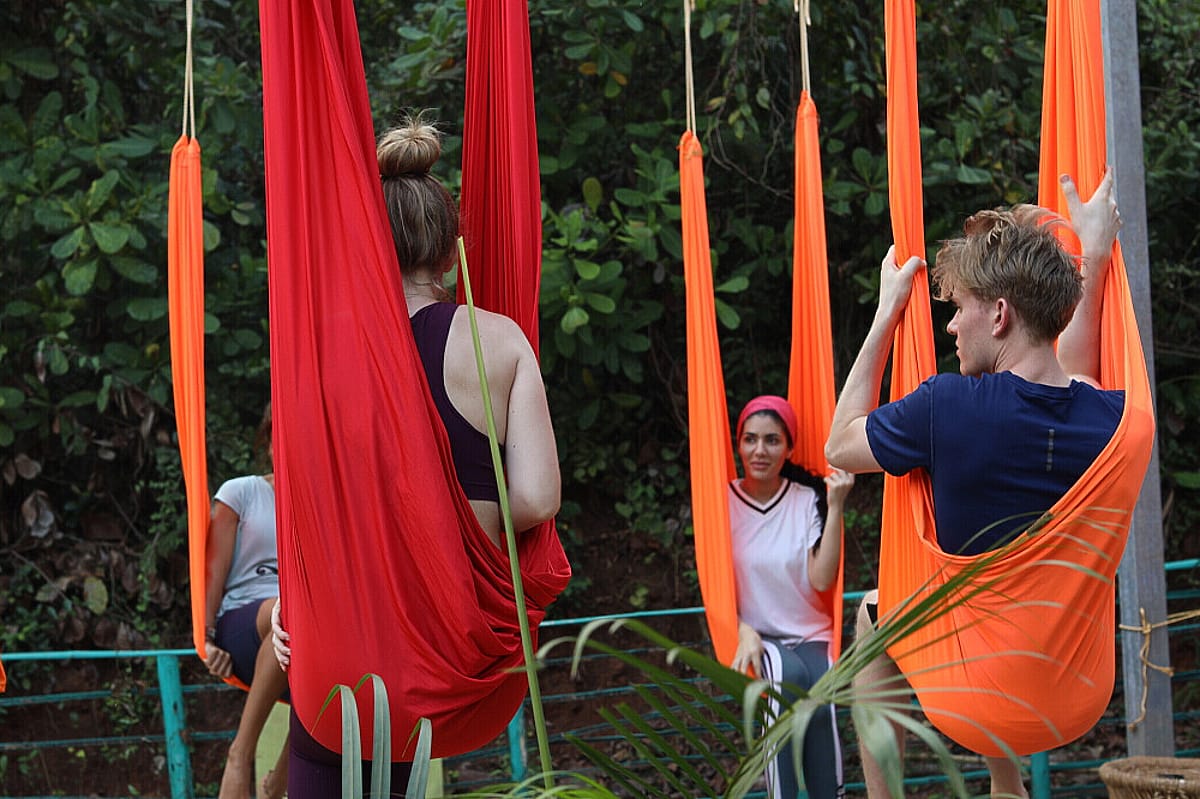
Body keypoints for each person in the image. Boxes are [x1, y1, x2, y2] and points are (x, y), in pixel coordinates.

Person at [271, 114, 561, 797]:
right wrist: (446, 519)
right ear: (452, 255)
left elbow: (307, 497)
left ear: (366, 247)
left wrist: (297, 601)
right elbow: (537, 498)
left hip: (344, 631)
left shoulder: (322, 352)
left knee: (332, 744)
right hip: (448, 647)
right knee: (404, 744)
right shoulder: (499, 340)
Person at [824, 170, 1123, 798]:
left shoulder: (945, 408)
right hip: (1071, 692)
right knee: (1005, 594)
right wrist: (1095, 257)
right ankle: (1006, 784)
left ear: (1001, 314)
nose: (951, 327)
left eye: (959, 309)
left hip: (973, 690)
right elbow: (1072, 374)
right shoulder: (1116, 421)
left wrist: (884, 316)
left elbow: (839, 444)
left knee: (873, 615)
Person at [728, 396, 854, 799]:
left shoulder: (805, 499)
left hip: (811, 633)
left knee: (822, 696)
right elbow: (715, 585)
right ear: (738, 444)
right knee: (788, 675)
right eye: (750, 439)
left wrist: (835, 506)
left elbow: (821, 579)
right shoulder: (723, 503)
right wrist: (741, 628)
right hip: (759, 637)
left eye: (772, 440)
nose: (759, 451)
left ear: (789, 448)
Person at [203, 403, 289, 799]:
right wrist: (205, 639)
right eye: (274, 438)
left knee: (350, 666)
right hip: (242, 623)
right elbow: (213, 572)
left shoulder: (325, 504)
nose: (280, 447)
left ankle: (278, 783)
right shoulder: (241, 492)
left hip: (297, 639)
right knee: (288, 611)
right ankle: (241, 753)